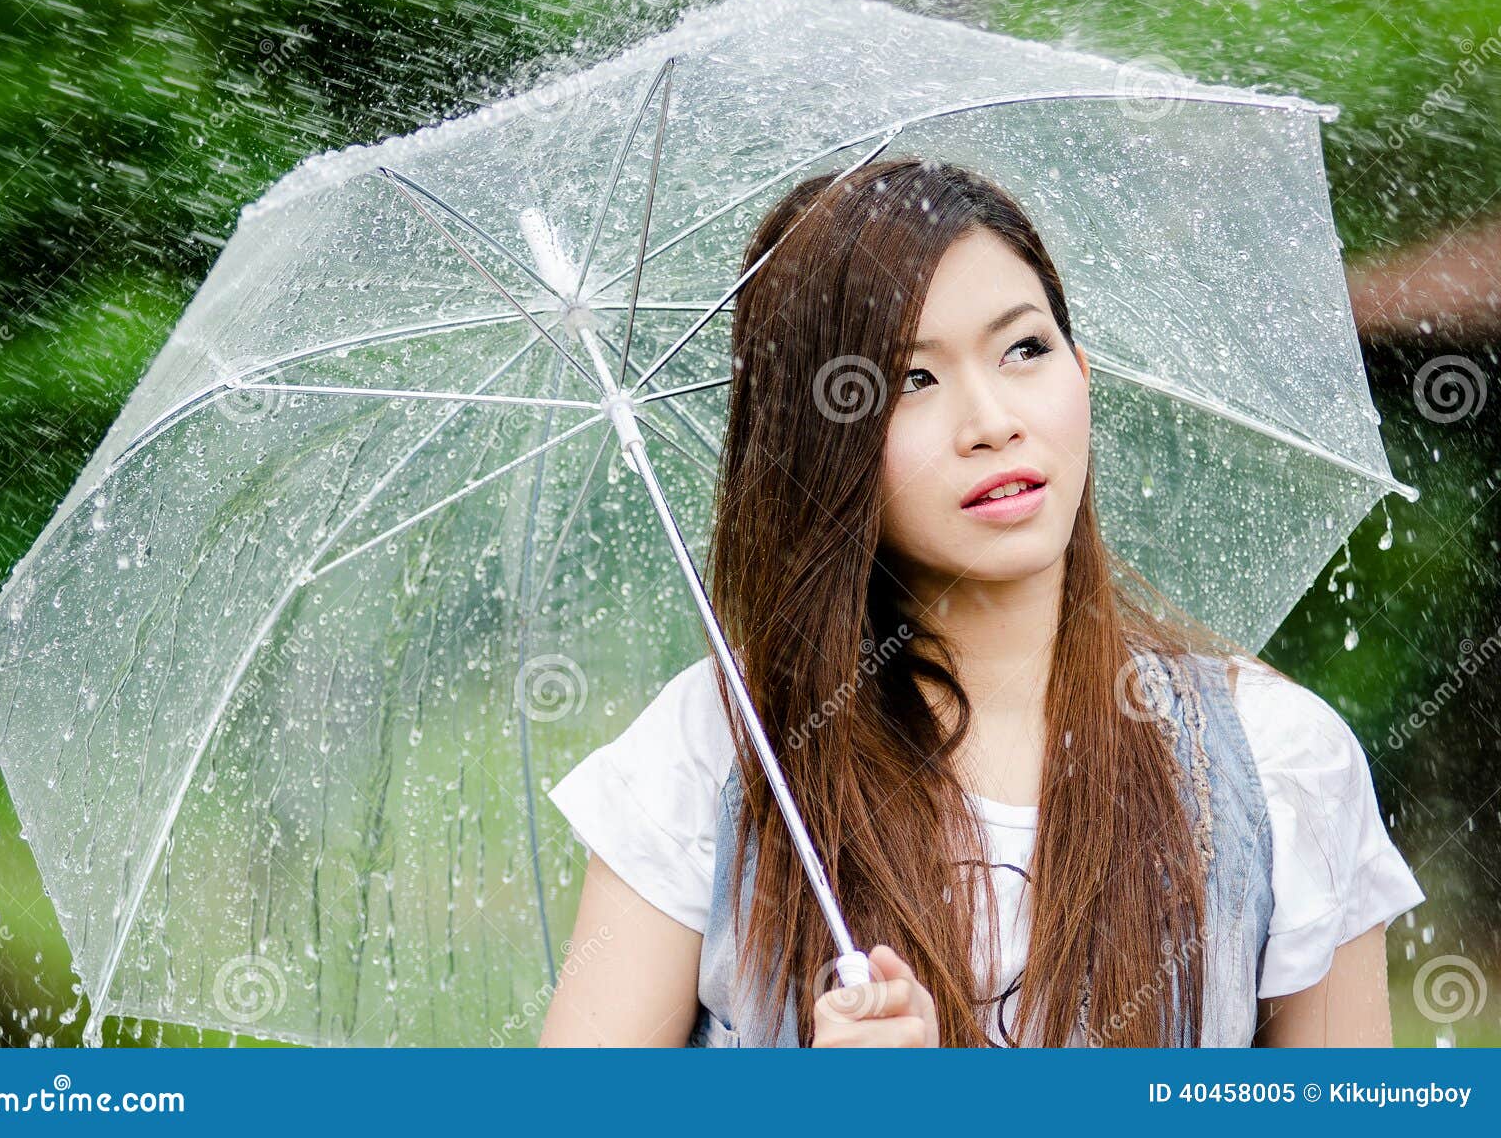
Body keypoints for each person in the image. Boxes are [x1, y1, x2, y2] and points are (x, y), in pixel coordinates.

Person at [537, 157, 1425, 1048]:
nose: (993, 419)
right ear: (819, 443)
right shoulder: (716, 759)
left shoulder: (1280, 766)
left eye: (1024, 349)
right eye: (910, 380)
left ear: (1081, 372)